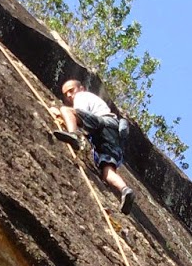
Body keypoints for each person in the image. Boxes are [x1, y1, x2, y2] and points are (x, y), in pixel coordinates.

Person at [53, 79, 135, 212]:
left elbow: (79, 112)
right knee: (107, 170)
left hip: (102, 122)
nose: (69, 95)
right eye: (65, 94)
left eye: (71, 90)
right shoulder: (96, 100)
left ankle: (73, 134)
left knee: (66, 110)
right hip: (113, 132)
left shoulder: (82, 96)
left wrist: (62, 114)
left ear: (81, 88)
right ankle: (125, 190)